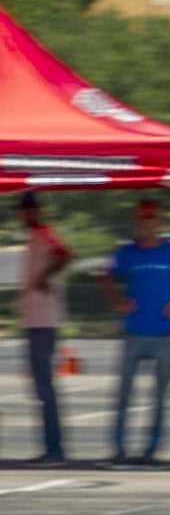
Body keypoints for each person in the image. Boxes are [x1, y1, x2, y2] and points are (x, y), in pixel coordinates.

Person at [106, 199, 170, 466]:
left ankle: (151, 452)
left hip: (164, 334)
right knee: (124, 394)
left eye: (152, 218)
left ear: (160, 222)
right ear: (136, 223)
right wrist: (117, 300)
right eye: (143, 219)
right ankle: (119, 450)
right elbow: (104, 276)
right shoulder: (127, 253)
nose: (147, 223)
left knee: (160, 397)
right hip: (134, 333)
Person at [18, 191, 73, 463]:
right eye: (25, 211)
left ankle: (54, 448)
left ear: (38, 211)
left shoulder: (44, 232)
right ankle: (51, 447)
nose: (28, 215)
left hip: (44, 321)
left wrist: (45, 277)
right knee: (40, 387)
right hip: (34, 321)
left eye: (31, 210)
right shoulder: (33, 237)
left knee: (45, 387)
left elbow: (66, 254)